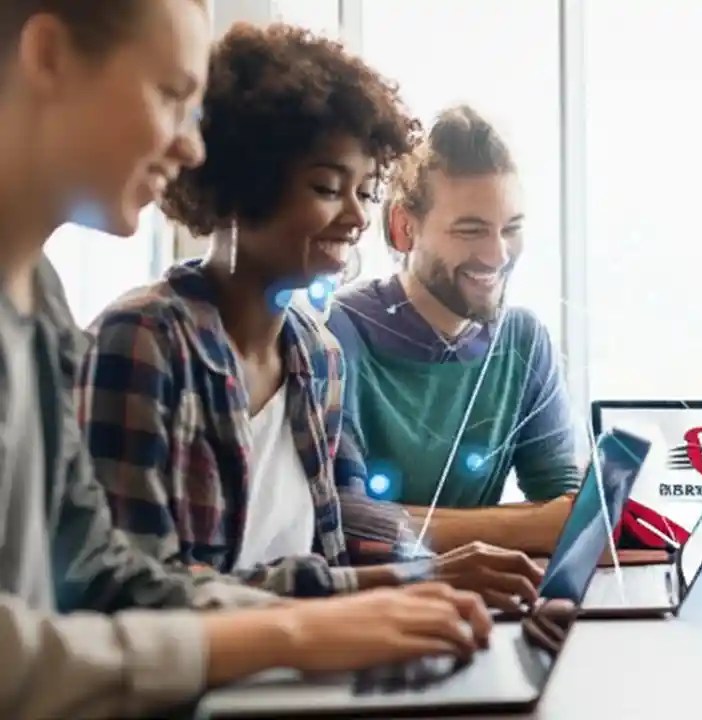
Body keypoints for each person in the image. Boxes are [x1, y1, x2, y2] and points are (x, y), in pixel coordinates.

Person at [0, 3, 490, 717]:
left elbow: (107, 576)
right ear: (48, 55)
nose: (192, 149)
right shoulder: (140, 335)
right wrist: (291, 631)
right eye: (170, 96)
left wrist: (336, 617)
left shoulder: (37, 298)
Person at [77, 22, 542, 611]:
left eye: (365, 193)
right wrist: (413, 581)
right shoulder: (143, 343)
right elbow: (136, 595)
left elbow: (341, 545)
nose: (354, 217)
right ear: (242, 187)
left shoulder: (316, 353)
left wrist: (444, 572)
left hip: (310, 671)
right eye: (328, 187)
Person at [328, 105, 580, 555]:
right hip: (370, 609)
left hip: (480, 602)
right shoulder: (336, 332)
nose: (498, 254)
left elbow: (576, 517)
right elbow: (345, 524)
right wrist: (527, 525)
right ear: (405, 229)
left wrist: (407, 524)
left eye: (511, 229)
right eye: (471, 231)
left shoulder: (522, 340)